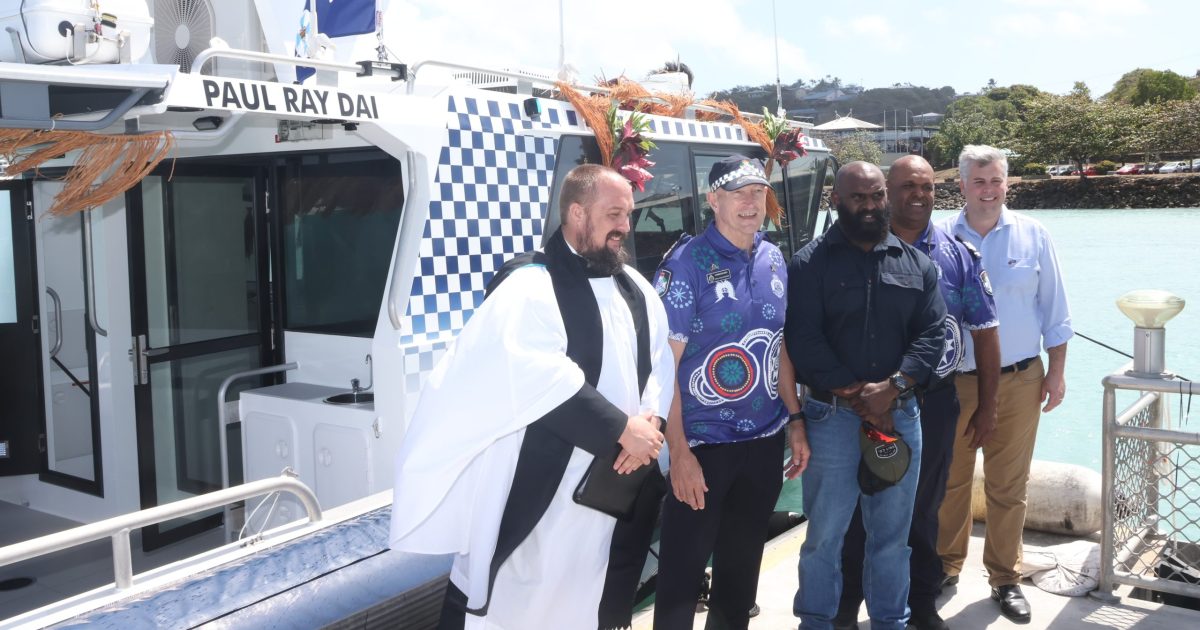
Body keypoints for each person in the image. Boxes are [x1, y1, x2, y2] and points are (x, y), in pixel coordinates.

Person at [388, 164, 675, 630]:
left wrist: (651, 424)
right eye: (615, 213)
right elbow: (527, 369)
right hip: (543, 494)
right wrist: (623, 430)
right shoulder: (527, 286)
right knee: (521, 604)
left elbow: (659, 365)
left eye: (628, 214)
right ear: (577, 213)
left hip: (611, 491)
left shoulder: (635, 289)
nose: (626, 225)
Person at [834, 156, 1001, 630]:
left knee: (924, 508)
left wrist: (987, 407)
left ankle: (922, 605)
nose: (919, 195)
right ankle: (848, 605)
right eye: (907, 186)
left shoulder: (957, 255)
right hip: (861, 405)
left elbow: (986, 334)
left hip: (931, 404)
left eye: (927, 187)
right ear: (887, 190)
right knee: (855, 510)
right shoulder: (858, 248)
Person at [786, 161, 946, 630]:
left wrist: (893, 388)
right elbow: (804, 339)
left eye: (878, 196)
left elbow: (933, 334)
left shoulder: (918, 264)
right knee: (824, 537)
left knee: (893, 538)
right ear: (836, 200)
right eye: (860, 198)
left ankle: (890, 622)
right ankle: (815, 622)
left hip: (899, 415)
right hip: (831, 418)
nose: (872, 206)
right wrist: (858, 393)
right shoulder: (809, 263)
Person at [651, 154, 809, 630]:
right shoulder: (685, 265)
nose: (749, 203)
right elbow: (665, 370)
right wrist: (678, 453)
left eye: (757, 193)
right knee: (681, 574)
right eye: (737, 193)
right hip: (702, 446)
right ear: (713, 200)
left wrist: (795, 420)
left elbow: (777, 346)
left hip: (763, 443)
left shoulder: (773, 257)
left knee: (740, 573)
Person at [936, 145, 1073, 623]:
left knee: (1008, 486)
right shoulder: (937, 237)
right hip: (953, 382)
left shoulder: (1035, 235)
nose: (989, 190)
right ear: (962, 185)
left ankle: (1005, 578)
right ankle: (945, 568)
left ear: (1006, 184)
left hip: (1018, 380)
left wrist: (1056, 372)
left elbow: (1056, 312)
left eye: (996, 181)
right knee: (948, 481)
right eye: (979, 181)